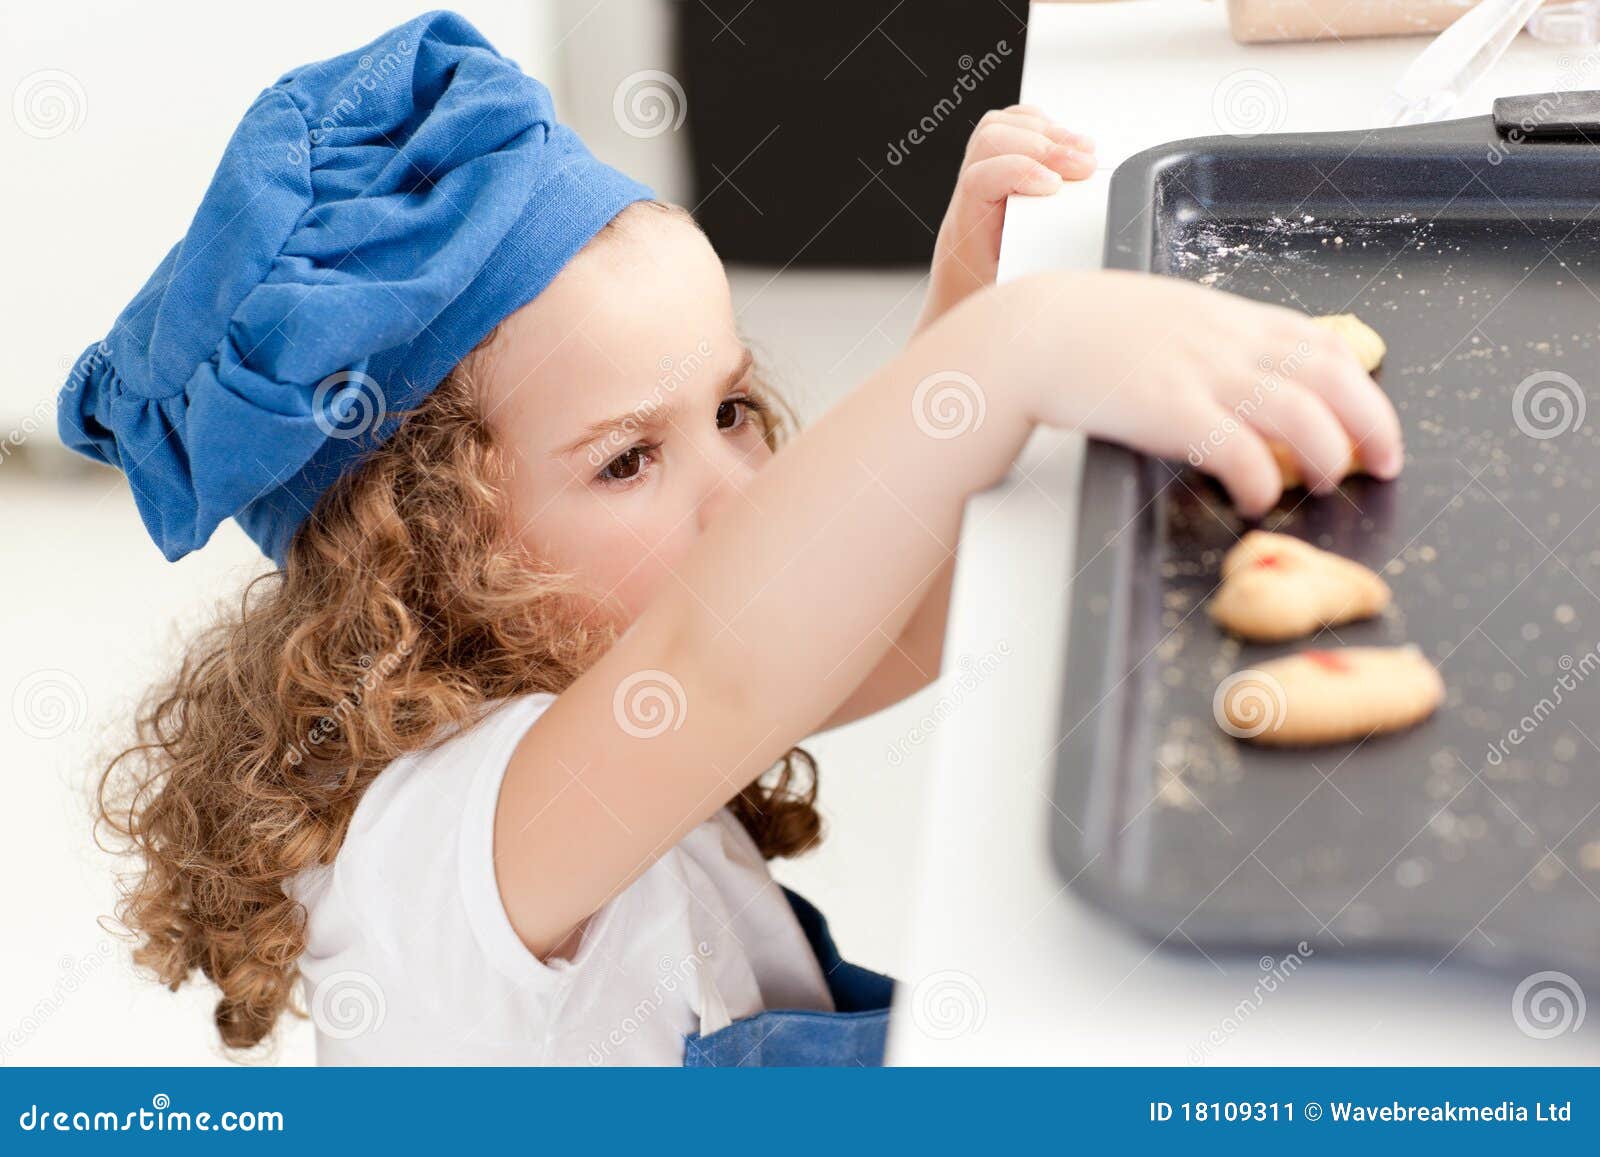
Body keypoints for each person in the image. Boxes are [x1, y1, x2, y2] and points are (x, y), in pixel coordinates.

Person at [61, 10, 1402, 1066]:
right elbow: (726, 667)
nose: (740, 491)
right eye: (631, 458)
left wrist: (952, 334)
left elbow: (875, 620)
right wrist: (1011, 356)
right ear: (420, 553)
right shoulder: (436, 857)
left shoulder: (578, 669)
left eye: (736, 407)